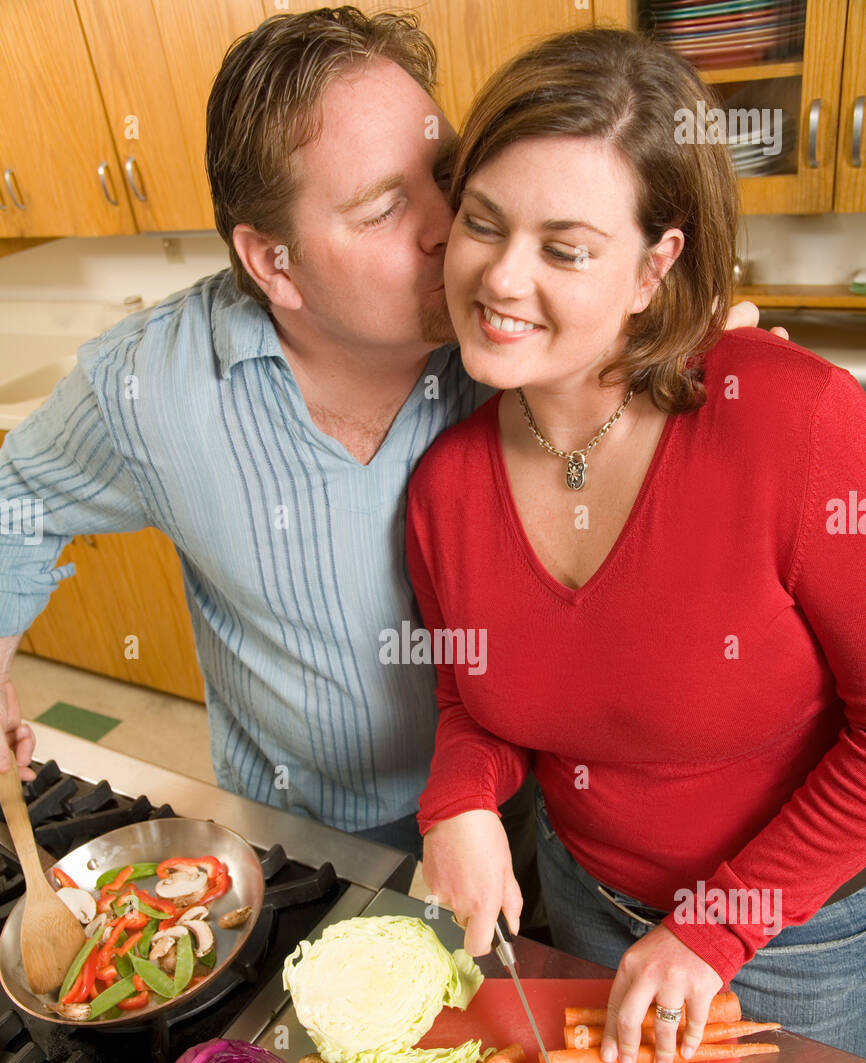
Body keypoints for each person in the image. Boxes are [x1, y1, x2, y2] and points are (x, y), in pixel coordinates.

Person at [0, 11, 771, 876]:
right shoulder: (149, 389)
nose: (456, 229)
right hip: (301, 837)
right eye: (382, 209)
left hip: (520, 819)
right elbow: (13, 510)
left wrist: (716, 369)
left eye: (446, 176)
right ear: (274, 264)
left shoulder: (514, 342)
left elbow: (653, 343)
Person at [407, 26, 866, 1063]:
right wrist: (458, 801)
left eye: (564, 249)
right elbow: (472, 695)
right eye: (482, 223)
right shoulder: (444, 485)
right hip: (580, 905)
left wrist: (716, 926)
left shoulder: (794, 424)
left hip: (793, 936)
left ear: (655, 265)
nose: (499, 278)